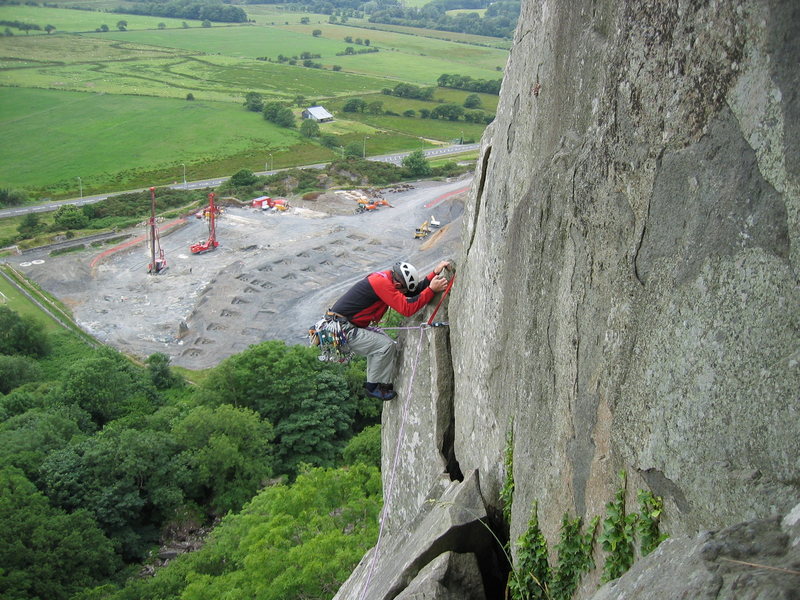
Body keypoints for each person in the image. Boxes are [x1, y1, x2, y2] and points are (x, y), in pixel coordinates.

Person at [326, 260, 452, 400]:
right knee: (385, 346)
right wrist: (431, 290)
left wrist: (434, 273)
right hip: (342, 329)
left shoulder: (388, 279)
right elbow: (407, 308)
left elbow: (412, 293)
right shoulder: (381, 283)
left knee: (381, 344)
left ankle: (379, 382)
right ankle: (372, 387)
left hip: (345, 326)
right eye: (403, 289)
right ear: (398, 285)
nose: (404, 293)